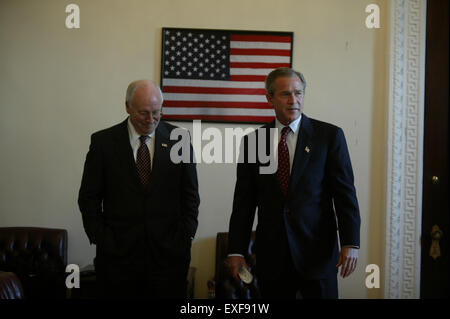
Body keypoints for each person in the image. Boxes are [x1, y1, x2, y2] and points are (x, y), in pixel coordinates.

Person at [226, 67, 360, 299]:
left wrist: (351, 243)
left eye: (298, 93)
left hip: (317, 255)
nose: (293, 100)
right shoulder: (253, 142)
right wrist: (236, 250)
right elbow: (244, 203)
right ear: (269, 98)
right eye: (285, 94)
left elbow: (345, 194)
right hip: (272, 258)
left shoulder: (328, 136)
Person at [78, 80, 200, 298]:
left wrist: (186, 235)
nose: (151, 120)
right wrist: (101, 237)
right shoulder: (103, 142)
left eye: (156, 112)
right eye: (143, 113)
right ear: (127, 106)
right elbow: (89, 197)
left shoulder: (179, 139)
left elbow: (190, 195)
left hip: (169, 257)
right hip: (117, 258)